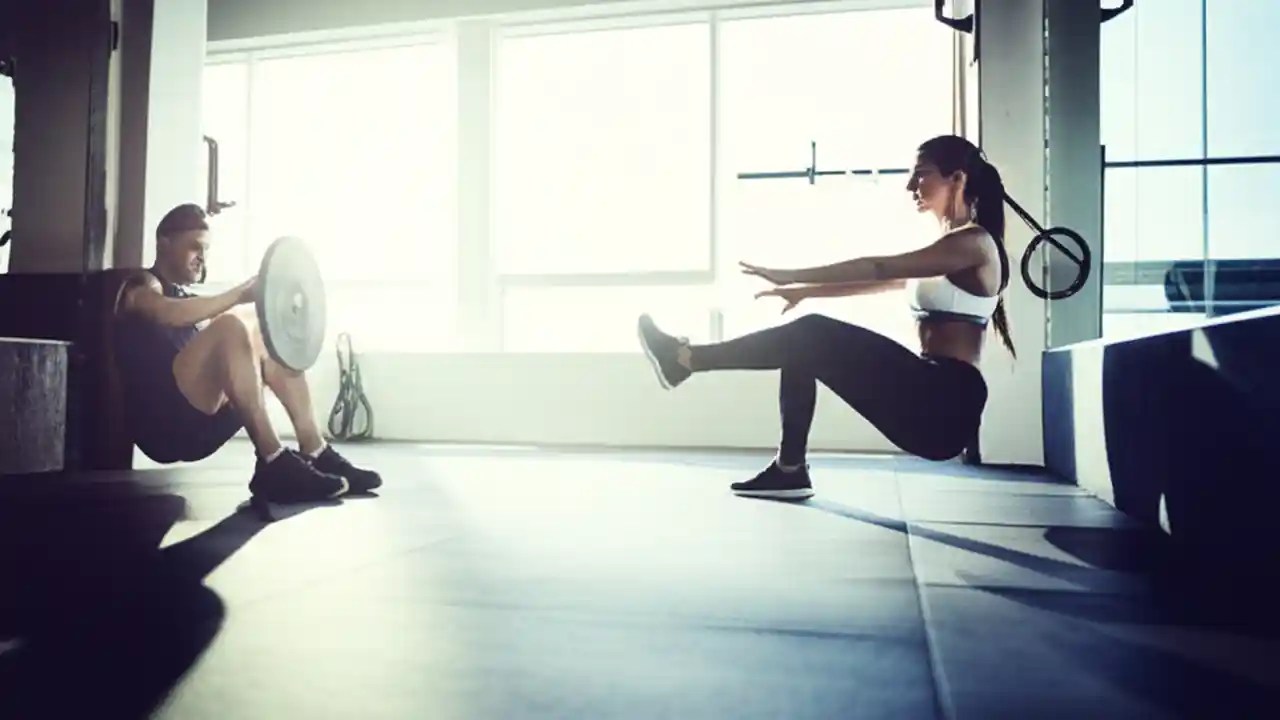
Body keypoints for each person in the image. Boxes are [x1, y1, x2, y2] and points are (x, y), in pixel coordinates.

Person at [637, 134, 1014, 500]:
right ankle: (789, 470)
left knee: (811, 334)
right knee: (803, 348)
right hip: (926, 390)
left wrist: (793, 274)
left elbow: (879, 267)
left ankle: (687, 359)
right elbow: (882, 282)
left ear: (957, 178)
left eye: (921, 173)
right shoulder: (949, 248)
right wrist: (806, 292)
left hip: (947, 401)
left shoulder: (973, 243)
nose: (910, 185)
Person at [113, 203, 382, 503]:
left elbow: (236, 332)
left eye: (206, 250)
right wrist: (239, 294)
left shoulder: (191, 302)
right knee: (231, 325)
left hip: (201, 420)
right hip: (164, 423)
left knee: (264, 334)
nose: (202, 258)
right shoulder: (141, 286)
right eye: (195, 248)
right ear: (164, 243)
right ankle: (272, 461)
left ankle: (315, 450)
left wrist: (269, 302)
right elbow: (169, 315)